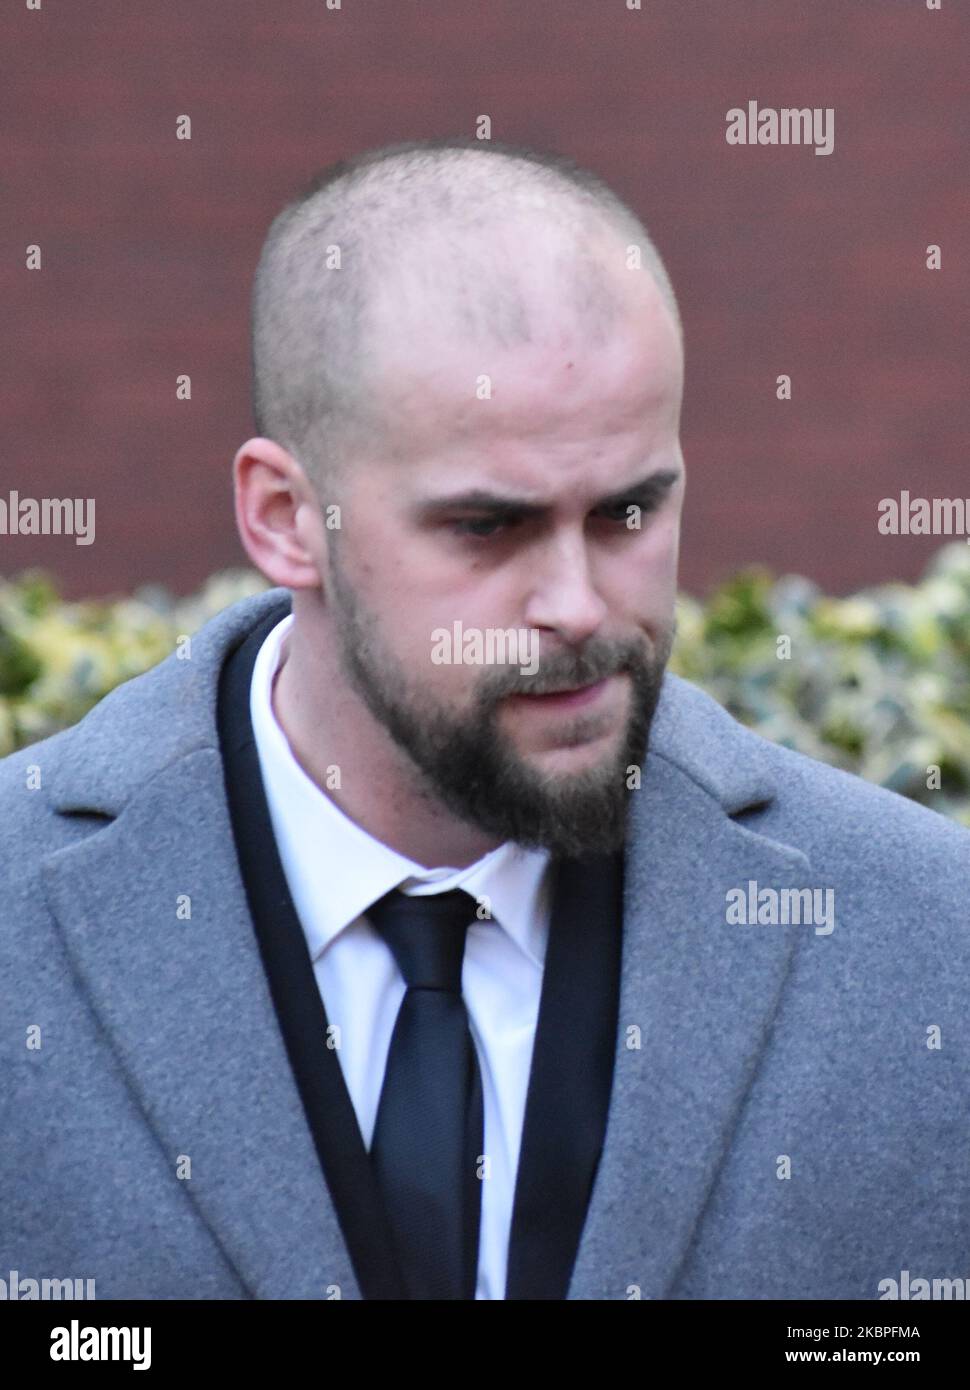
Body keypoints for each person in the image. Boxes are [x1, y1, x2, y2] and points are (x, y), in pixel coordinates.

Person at [2, 136, 968, 1302]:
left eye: (626, 511)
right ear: (286, 519)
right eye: (486, 527)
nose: (576, 606)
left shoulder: (925, 941)